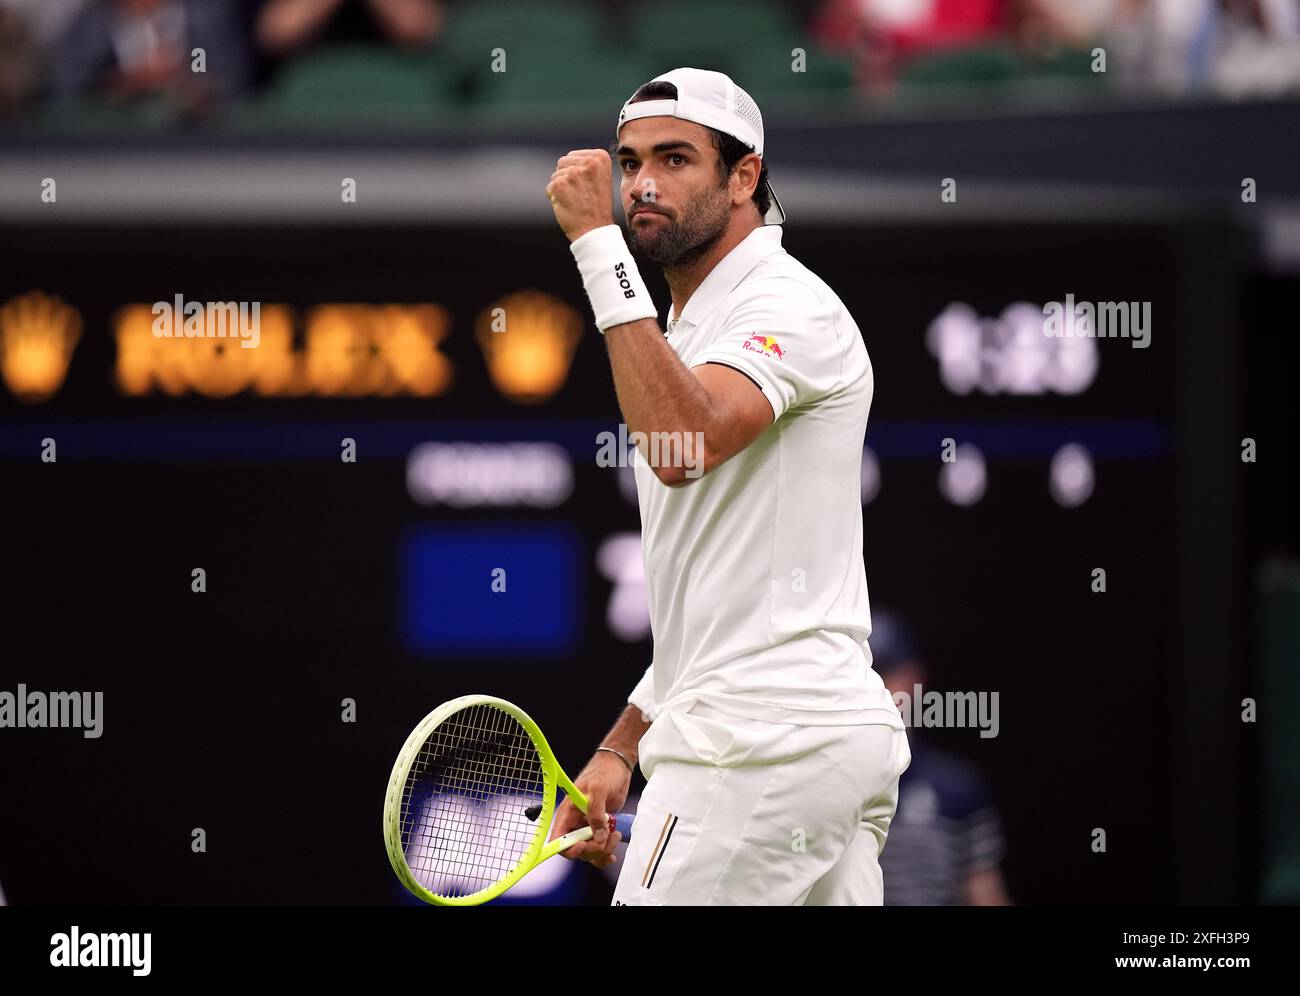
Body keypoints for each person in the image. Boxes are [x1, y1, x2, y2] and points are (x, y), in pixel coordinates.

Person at [545, 67, 910, 905]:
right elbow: (715, 596)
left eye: (676, 160)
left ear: (744, 176)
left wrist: (596, 244)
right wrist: (623, 746)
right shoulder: (684, 326)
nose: (642, 185)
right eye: (631, 161)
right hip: (801, 741)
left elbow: (686, 442)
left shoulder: (788, 302)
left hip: (760, 743)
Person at [868, 607, 1013, 906]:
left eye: (887, 671)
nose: (878, 687)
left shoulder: (958, 788)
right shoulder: (821, 781)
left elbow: (985, 894)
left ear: (915, 678)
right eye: (867, 673)